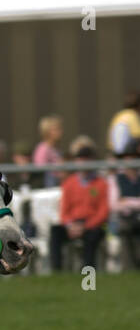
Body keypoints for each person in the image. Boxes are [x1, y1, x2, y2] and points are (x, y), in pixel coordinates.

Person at [48, 137, 109, 272]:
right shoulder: (69, 183)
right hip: (73, 224)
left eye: (87, 158)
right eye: (81, 158)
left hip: (92, 224)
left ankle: (88, 275)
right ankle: (56, 272)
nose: (83, 162)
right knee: (55, 232)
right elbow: (64, 212)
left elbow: (103, 212)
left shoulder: (101, 184)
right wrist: (71, 225)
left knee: (93, 237)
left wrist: (86, 226)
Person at [112, 139, 140, 269]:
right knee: (125, 228)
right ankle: (128, 269)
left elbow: (122, 203)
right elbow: (114, 204)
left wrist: (126, 201)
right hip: (125, 220)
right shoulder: (117, 178)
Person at [107, 91, 140, 156]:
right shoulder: (132, 116)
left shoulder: (118, 116)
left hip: (114, 154)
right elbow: (137, 137)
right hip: (126, 156)